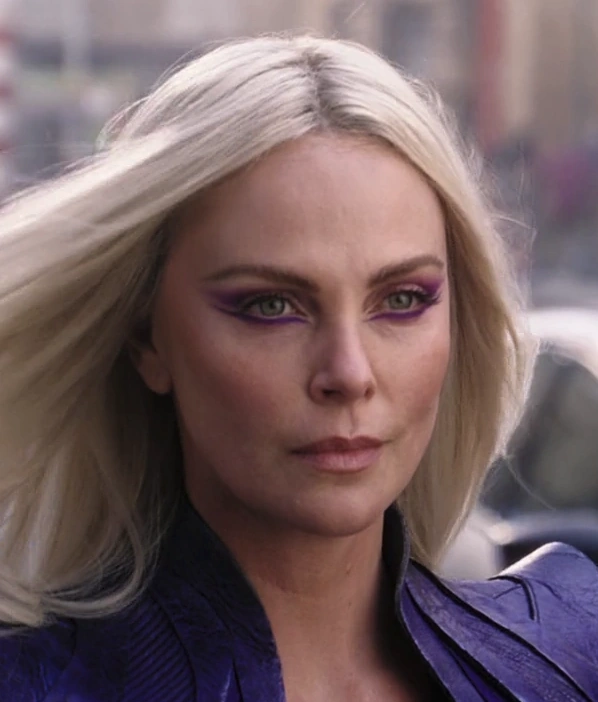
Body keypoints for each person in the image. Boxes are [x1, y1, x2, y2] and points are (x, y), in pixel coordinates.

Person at [0, 35, 596, 702]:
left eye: (402, 300)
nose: (349, 372)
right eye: (272, 305)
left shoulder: (571, 656)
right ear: (147, 339)